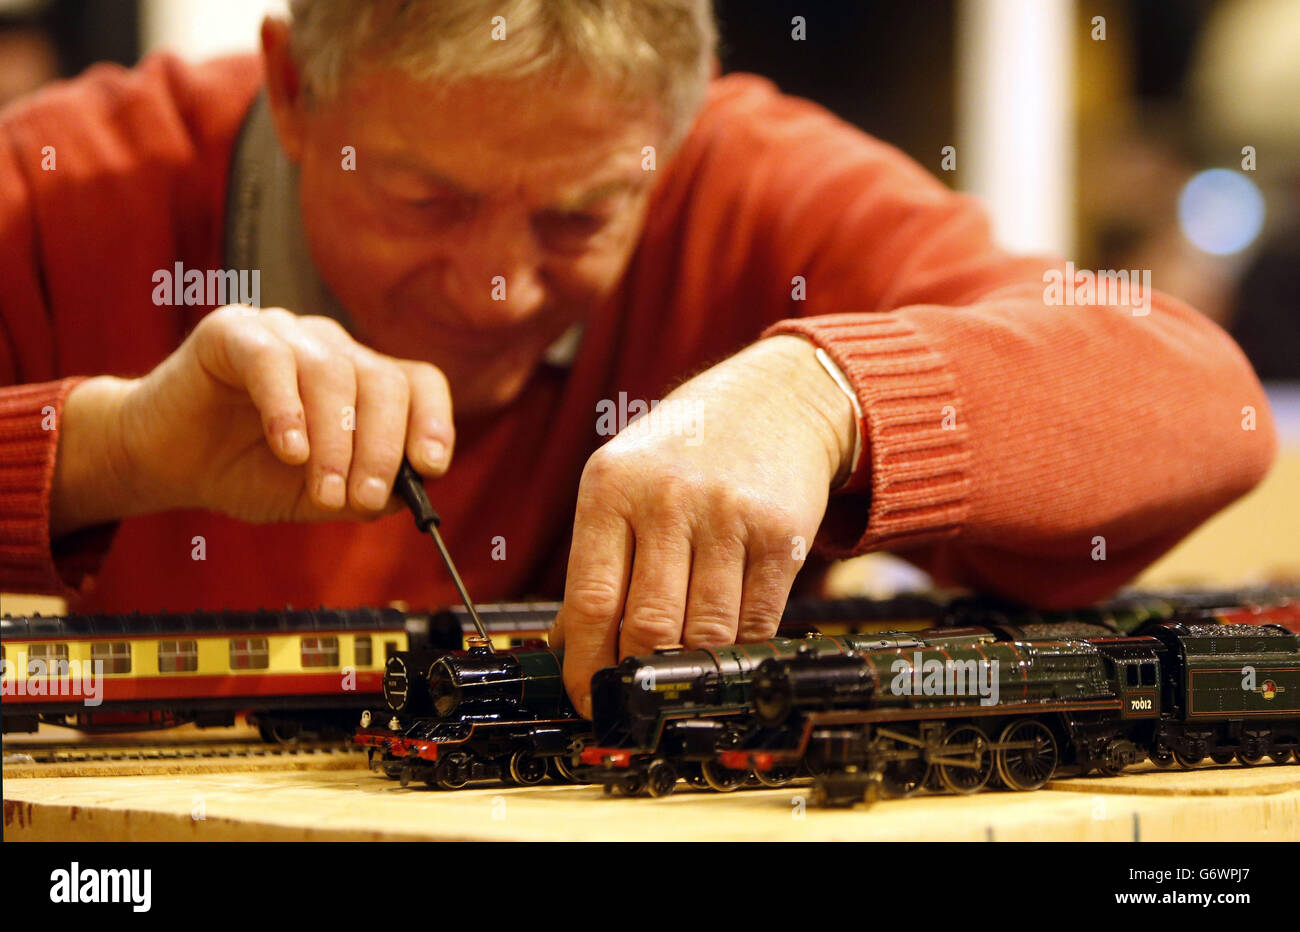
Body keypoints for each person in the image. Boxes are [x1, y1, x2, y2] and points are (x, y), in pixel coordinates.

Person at [0, 1, 1276, 717]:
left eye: (578, 215)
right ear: (290, 87)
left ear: (669, 141)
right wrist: (107, 451)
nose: (496, 284)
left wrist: (827, 392)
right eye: (417, 197)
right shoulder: (70, 186)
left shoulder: (745, 182)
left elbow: (1201, 403)